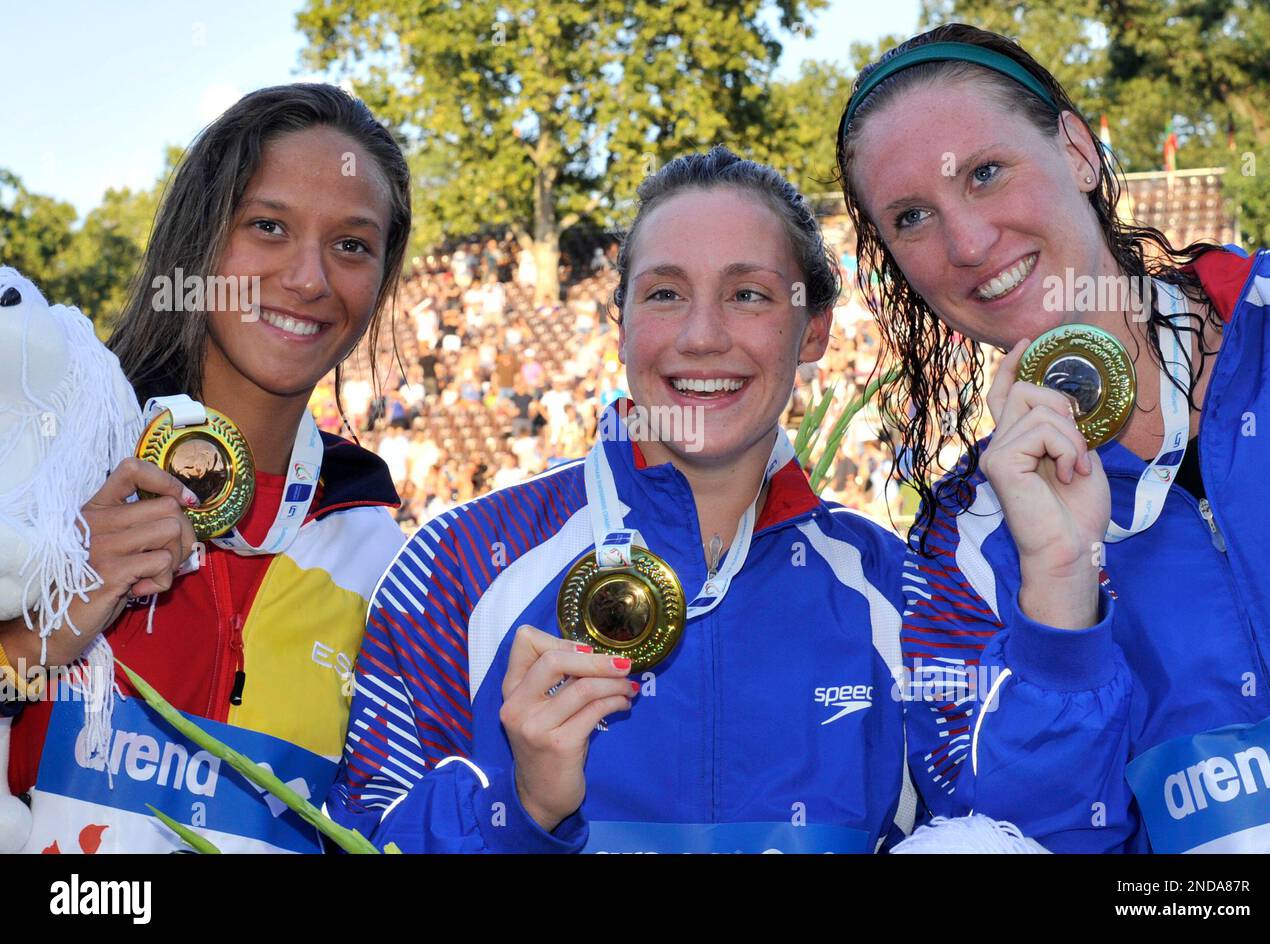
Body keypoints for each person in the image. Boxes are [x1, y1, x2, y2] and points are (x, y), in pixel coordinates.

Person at [325, 146, 915, 853]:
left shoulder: (899, 592)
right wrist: (521, 809)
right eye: (665, 293)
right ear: (622, 326)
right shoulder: (457, 566)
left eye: (749, 294)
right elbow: (353, 840)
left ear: (813, 330)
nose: (702, 336)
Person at [837, 23, 1270, 852]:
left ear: (1078, 152)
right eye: (912, 216)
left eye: (986, 173)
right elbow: (1029, 841)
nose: (969, 244)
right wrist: (1057, 591)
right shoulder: (967, 549)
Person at [1, 83, 410, 853]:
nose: (309, 279)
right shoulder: (43, 465)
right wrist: (42, 629)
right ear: (200, 242)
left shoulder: (378, 555)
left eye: (352, 244)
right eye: (268, 226)